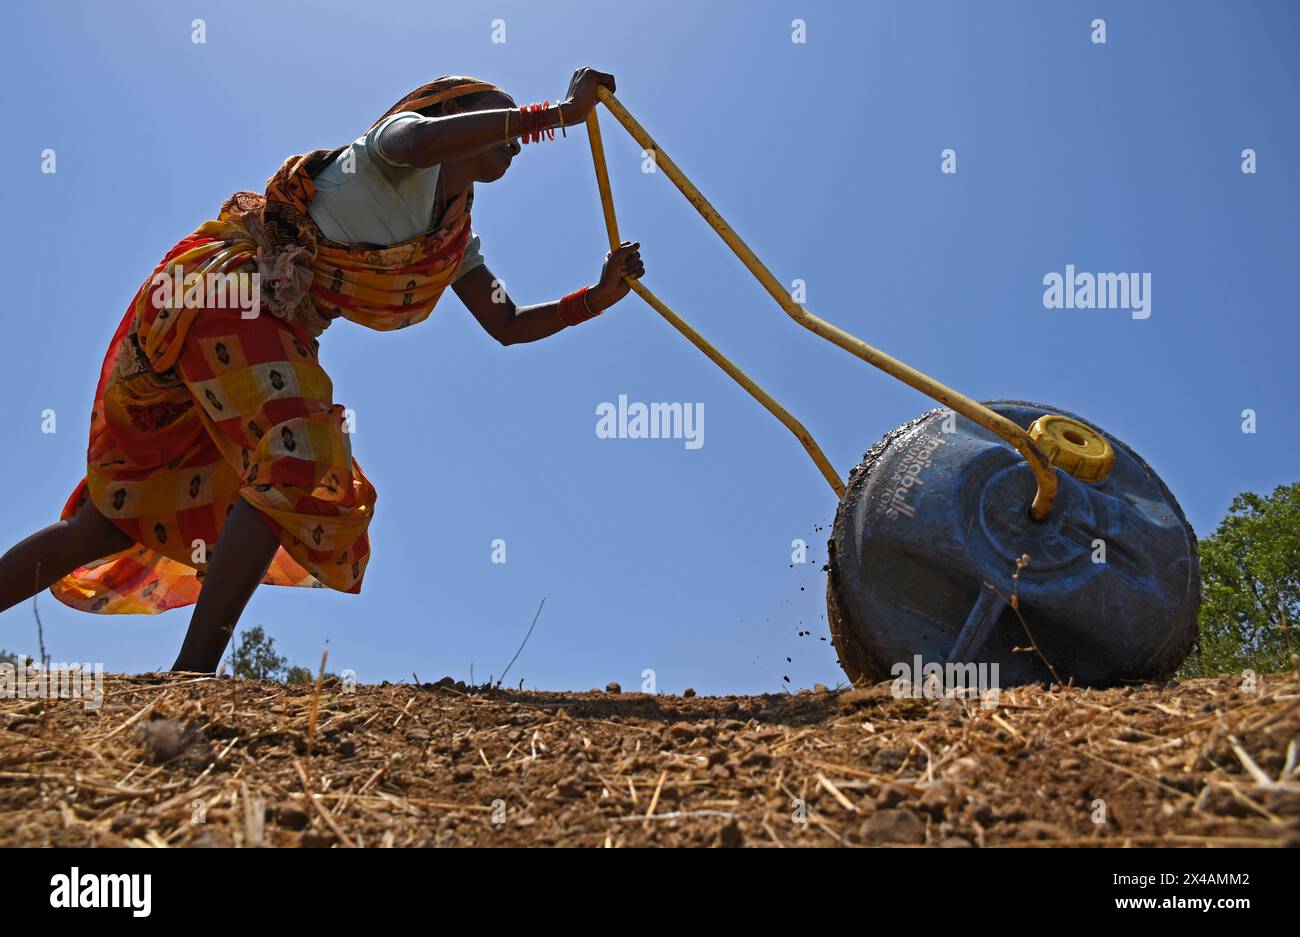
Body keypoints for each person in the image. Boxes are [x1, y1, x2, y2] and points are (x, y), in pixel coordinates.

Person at [0, 67, 644, 673]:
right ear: (450, 111)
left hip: (266, 329)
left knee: (117, 517)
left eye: (515, 121)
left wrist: (594, 297)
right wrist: (555, 114)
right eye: (494, 114)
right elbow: (426, 138)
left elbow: (506, 324)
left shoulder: (454, 238)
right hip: (229, 295)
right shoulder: (397, 144)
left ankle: (190, 669)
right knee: (298, 454)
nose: (513, 134)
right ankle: (192, 675)